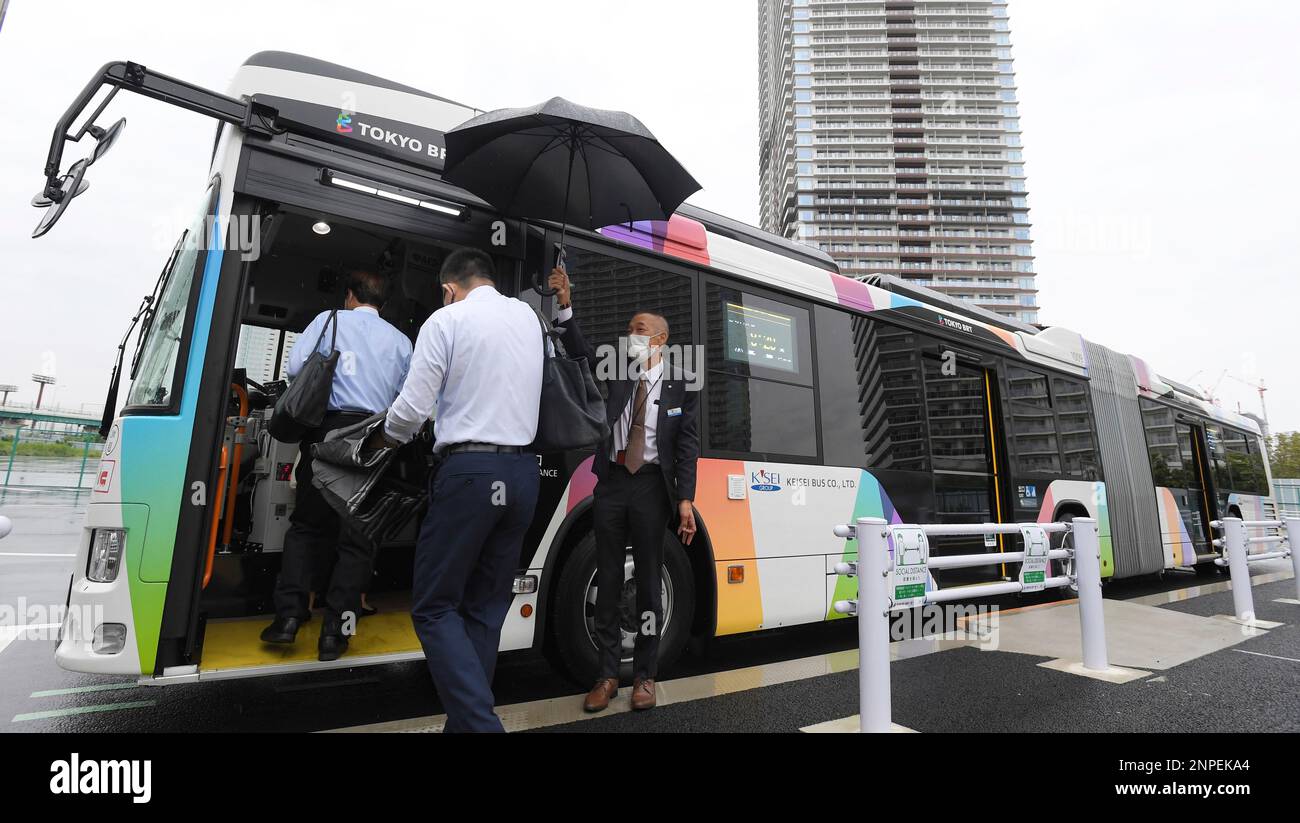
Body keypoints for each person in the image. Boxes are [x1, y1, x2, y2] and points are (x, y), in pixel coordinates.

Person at [370, 248, 543, 733]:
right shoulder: (529, 318)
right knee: (485, 609)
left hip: (468, 473)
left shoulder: (445, 322)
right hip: (522, 475)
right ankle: (464, 727)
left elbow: (410, 411)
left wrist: (378, 440)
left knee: (433, 605)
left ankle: (481, 727)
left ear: (449, 288)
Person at [548, 266, 699, 713]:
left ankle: (646, 677)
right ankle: (607, 674)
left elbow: (688, 444)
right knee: (610, 579)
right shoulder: (617, 370)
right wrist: (565, 302)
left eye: (640, 330)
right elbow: (578, 351)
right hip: (612, 484)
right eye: (630, 328)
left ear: (660, 340)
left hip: (653, 489)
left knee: (649, 585)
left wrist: (686, 498)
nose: (631, 334)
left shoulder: (681, 384)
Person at [261, 270, 412, 661]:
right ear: (383, 302)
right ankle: (336, 633)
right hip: (373, 440)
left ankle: (289, 620)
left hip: (324, 436)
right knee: (357, 537)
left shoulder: (327, 322)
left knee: (307, 527)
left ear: (349, 296)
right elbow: (406, 399)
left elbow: (297, 371)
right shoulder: (400, 342)